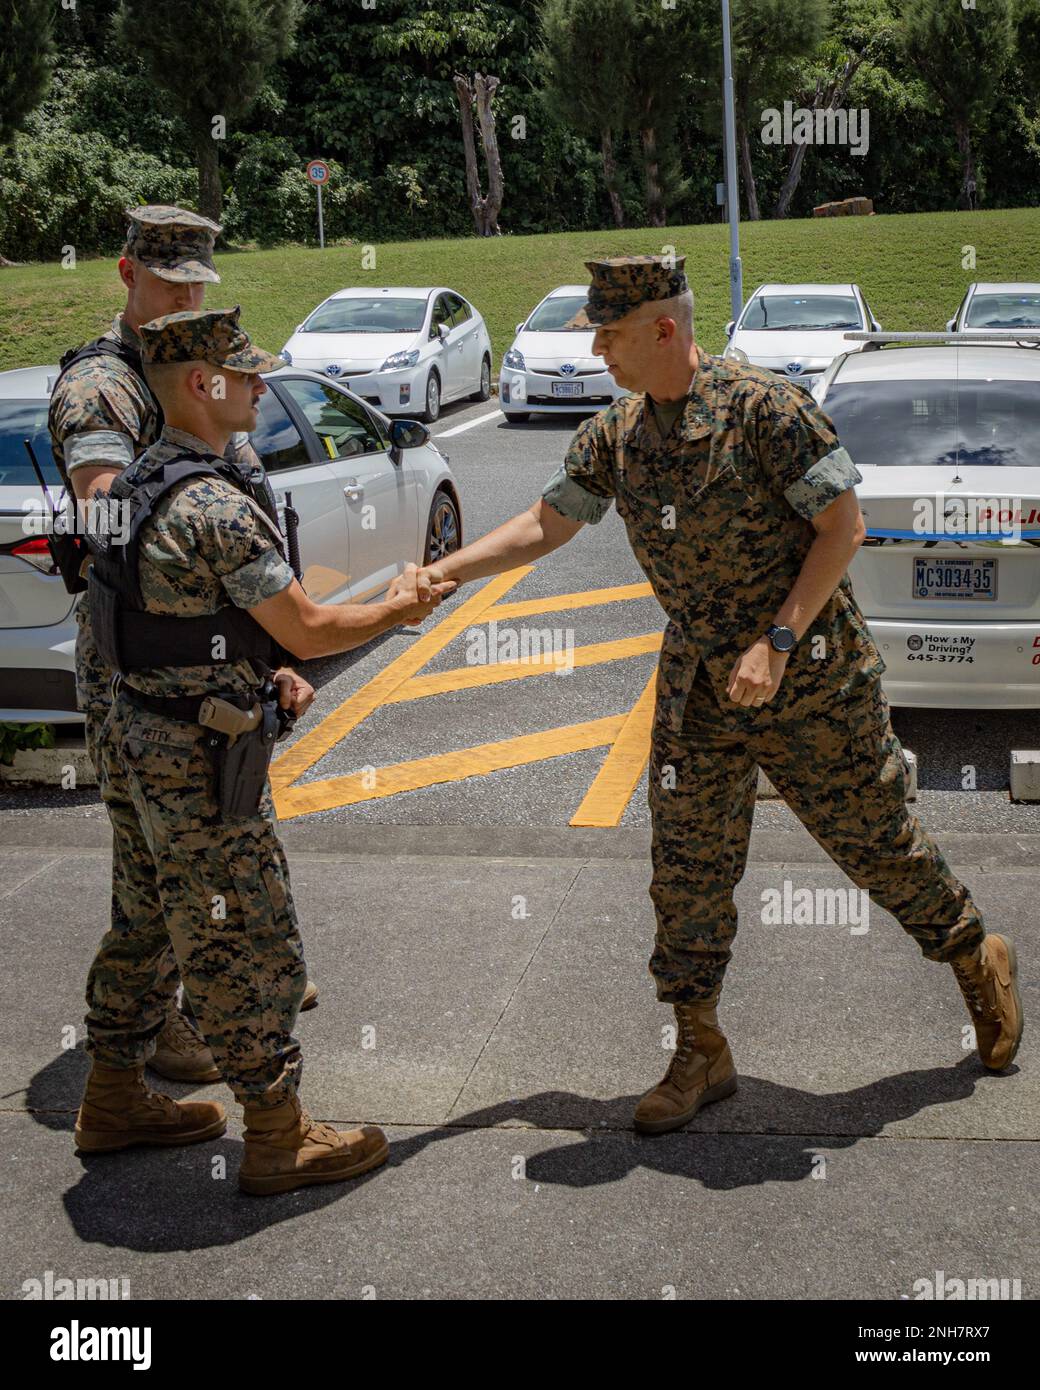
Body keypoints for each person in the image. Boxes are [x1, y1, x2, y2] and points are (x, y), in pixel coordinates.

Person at [416, 253, 1023, 1135]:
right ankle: (699, 1046)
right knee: (687, 874)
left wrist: (777, 640)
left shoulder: (764, 409)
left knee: (878, 843)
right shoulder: (618, 433)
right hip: (700, 688)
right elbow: (544, 522)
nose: (597, 350)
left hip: (809, 678)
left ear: (666, 329)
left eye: (612, 334)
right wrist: (448, 572)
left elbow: (842, 527)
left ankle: (975, 955)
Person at [73, 306, 455, 1194]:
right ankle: (279, 1134)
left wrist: (257, 667)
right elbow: (312, 624)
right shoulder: (210, 504)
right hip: (202, 761)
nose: (259, 387)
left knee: (146, 918)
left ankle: (112, 1094)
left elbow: (155, 622)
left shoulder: (129, 489)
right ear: (204, 386)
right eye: (245, 375)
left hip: (137, 739)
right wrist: (403, 606)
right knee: (240, 930)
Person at [47, 204, 318, 1087]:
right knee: (172, 861)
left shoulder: (195, 359)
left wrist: (270, 648)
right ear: (127, 274)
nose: (185, 302)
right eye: (169, 285)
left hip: (219, 652)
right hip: (147, 667)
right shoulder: (107, 386)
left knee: (175, 865)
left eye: (198, 286)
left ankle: (169, 1026)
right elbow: (106, 518)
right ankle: (189, 1023)